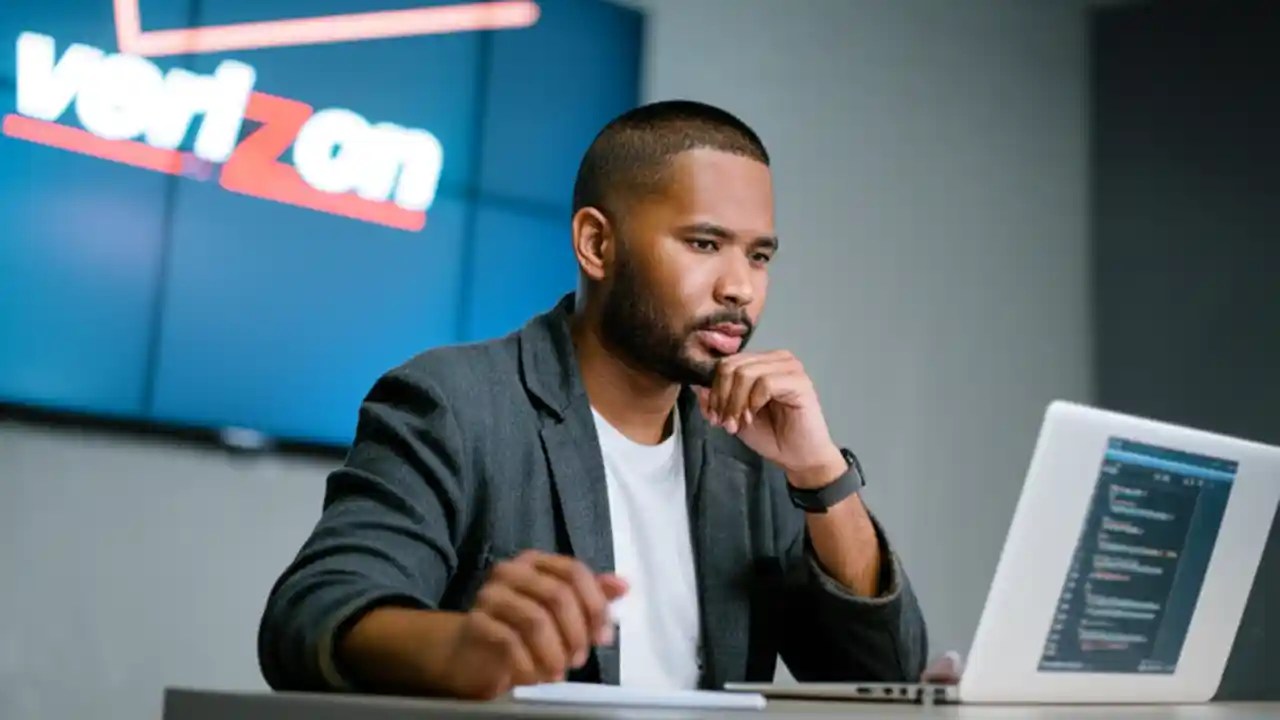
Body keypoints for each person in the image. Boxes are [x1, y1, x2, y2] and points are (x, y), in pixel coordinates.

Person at [257, 99, 929, 700]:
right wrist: (463, 649)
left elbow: (884, 679)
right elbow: (309, 618)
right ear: (596, 244)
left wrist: (819, 476)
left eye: (759, 257)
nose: (740, 289)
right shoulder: (454, 405)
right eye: (704, 244)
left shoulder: (751, 448)